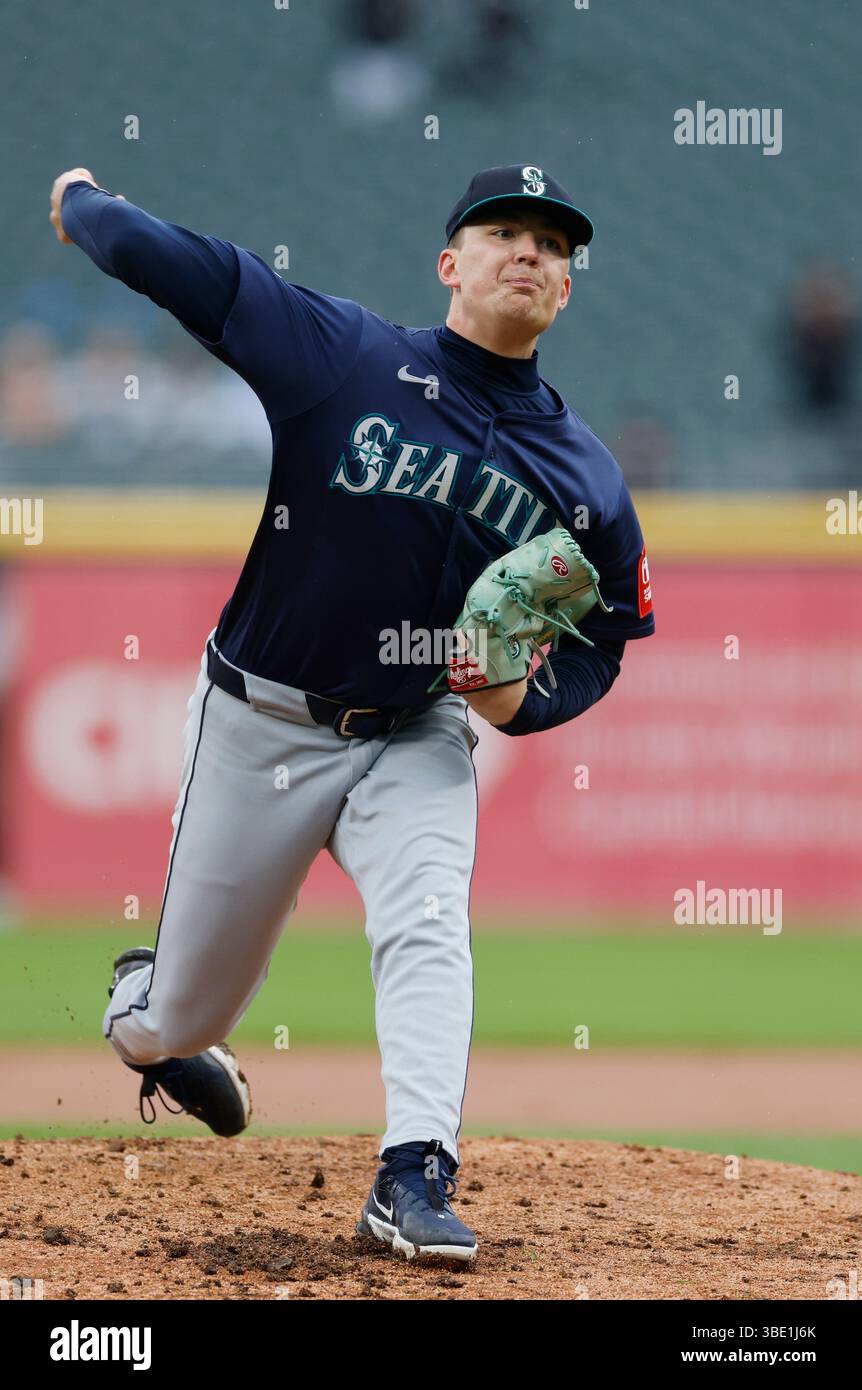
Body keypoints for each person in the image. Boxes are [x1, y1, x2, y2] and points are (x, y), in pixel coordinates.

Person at [49, 162, 654, 1263]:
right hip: (259, 722)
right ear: (450, 264)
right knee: (177, 1017)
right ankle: (149, 1012)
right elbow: (205, 279)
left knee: (426, 922)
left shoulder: (584, 476)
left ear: (565, 288)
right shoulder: (346, 357)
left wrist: (521, 697)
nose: (529, 252)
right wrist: (89, 206)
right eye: (503, 232)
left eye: (553, 246)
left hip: (415, 732)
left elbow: (612, 635)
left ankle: (411, 1175)